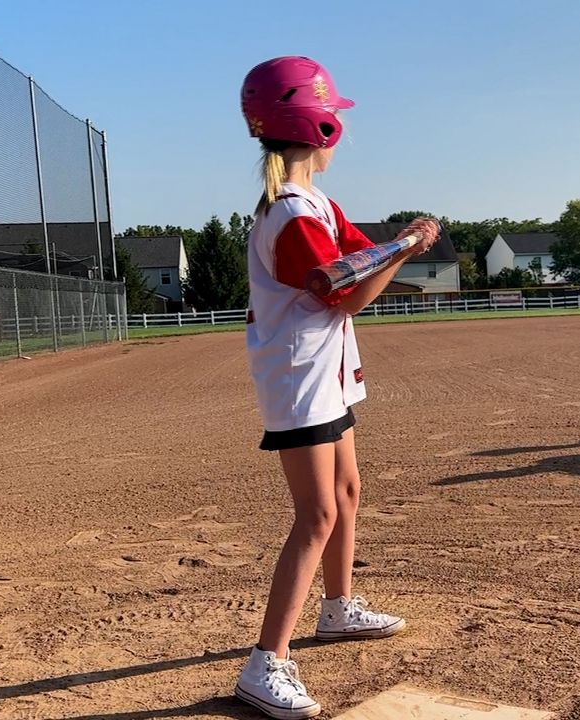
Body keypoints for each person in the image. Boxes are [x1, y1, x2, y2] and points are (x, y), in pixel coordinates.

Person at [235, 56, 441, 720]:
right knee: (317, 514)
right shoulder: (291, 212)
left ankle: (336, 608)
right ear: (315, 124)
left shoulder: (316, 204)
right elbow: (343, 292)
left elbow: (359, 254)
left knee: (348, 493)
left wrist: (400, 243)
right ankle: (267, 661)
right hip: (299, 380)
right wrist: (406, 248)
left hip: (323, 374)